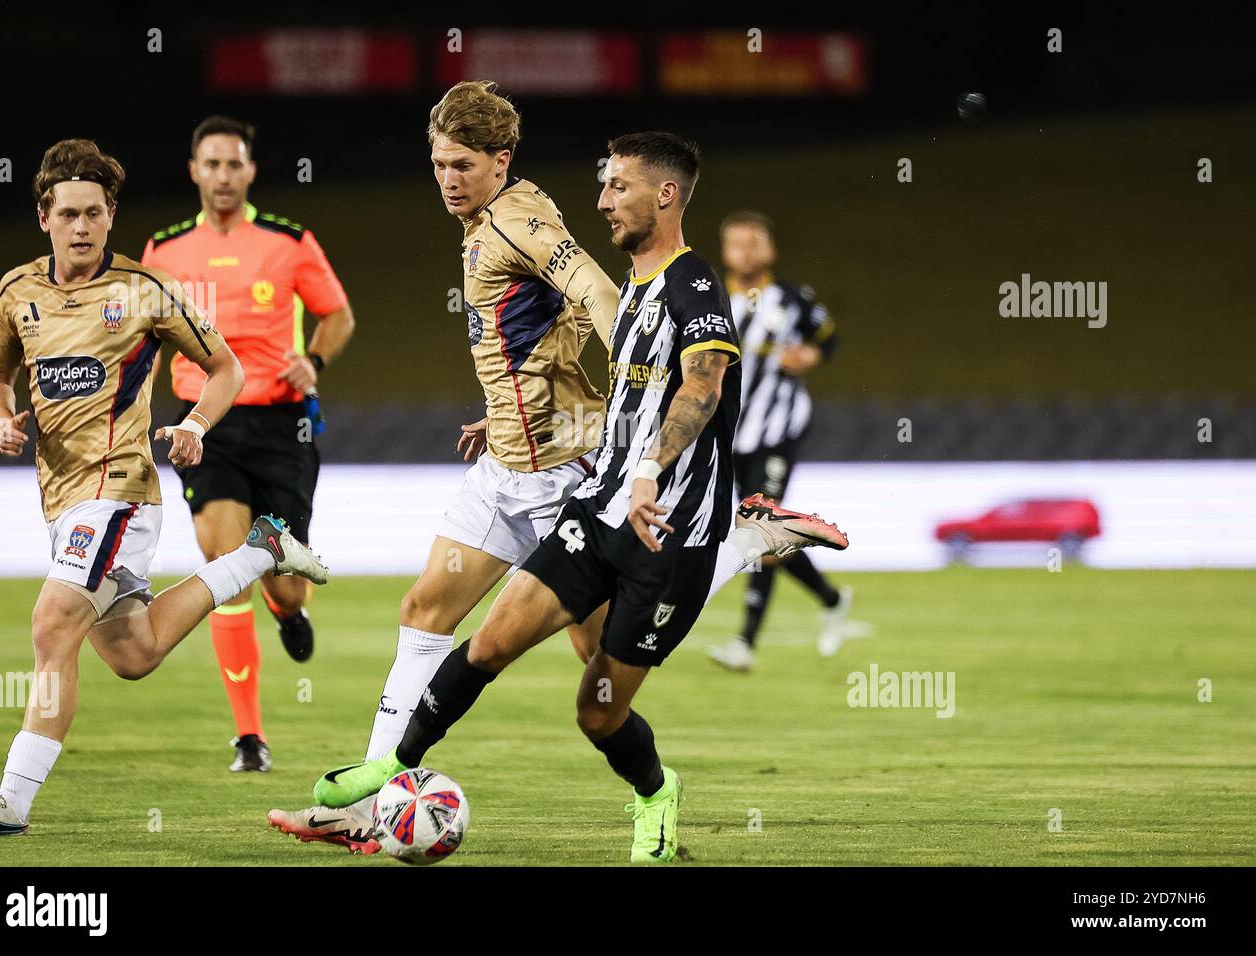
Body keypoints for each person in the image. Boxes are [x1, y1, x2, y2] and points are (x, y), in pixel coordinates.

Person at [267, 88, 845, 855]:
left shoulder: (524, 221)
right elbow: (543, 326)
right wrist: (511, 406)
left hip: (560, 477)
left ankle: (736, 549)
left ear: (500, 162)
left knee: (598, 683)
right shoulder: (488, 220)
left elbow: (599, 297)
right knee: (430, 610)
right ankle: (379, 791)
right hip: (509, 460)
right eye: (438, 163)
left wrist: (641, 405)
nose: (446, 178)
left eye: (462, 165)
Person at [0, 139, 328, 838]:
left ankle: (11, 802)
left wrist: (194, 423)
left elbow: (226, 369)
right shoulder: (16, 293)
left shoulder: (143, 292)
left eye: (95, 213)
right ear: (44, 216)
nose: (83, 227)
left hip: (120, 493)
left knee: (50, 624)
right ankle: (261, 550)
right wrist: (1, 417)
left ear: (110, 214)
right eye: (68, 213)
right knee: (136, 653)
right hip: (62, 503)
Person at [141, 116, 354, 773]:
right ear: (194, 171)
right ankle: (250, 738)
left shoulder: (287, 242)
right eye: (212, 164)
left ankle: (286, 607)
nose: (224, 176)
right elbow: (147, 340)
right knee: (223, 561)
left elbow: (338, 315)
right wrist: (136, 416)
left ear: (250, 172)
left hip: (282, 424)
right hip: (208, 424)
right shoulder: (164, 250)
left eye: (235, 165)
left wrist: (313, 362)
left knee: (284, 587)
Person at [706, 211, 869, 671]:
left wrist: (811, 355)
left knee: (760, 524)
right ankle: (832, 598)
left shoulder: (794, 299)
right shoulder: (710, 299)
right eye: (737, 243)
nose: (746, 251)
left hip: (778, 430)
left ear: (770, 250)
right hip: (731, 434)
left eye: (755, 242)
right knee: (758, 531)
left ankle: (745, 643)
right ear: (725, 251)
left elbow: (828, 339)